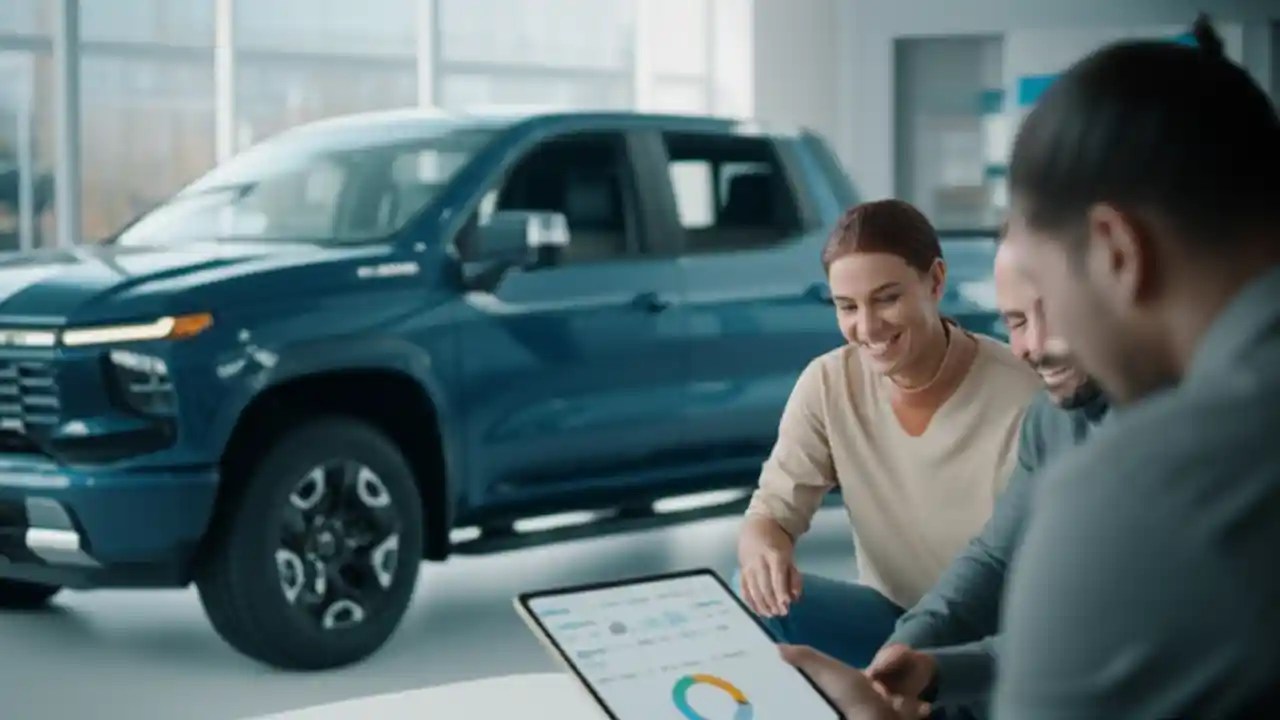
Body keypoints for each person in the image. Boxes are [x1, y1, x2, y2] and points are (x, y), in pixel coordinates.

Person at [783, 14, 1280, 719]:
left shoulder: (1148, 483)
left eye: (1049, 287)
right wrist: (929, 663)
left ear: (1115, 251)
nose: (1034, 341)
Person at [735, 199, 1042, 670]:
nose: (867, 327)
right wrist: (764, 550)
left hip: (994, 641)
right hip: (891, 622)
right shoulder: (828, 383)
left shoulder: (1024, 394)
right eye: (847, 306)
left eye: (887, 299)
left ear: (935, 281)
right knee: (757, 595)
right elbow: (771, 514)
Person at [864, 230, 1109, 718]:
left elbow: (1105, 631)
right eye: (1016, 321)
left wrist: (937, 673)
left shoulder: (1172, 434)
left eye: (1054, 312)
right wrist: (906, 649)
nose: (1034, 345)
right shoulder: (1051, 419)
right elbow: (993, 558)